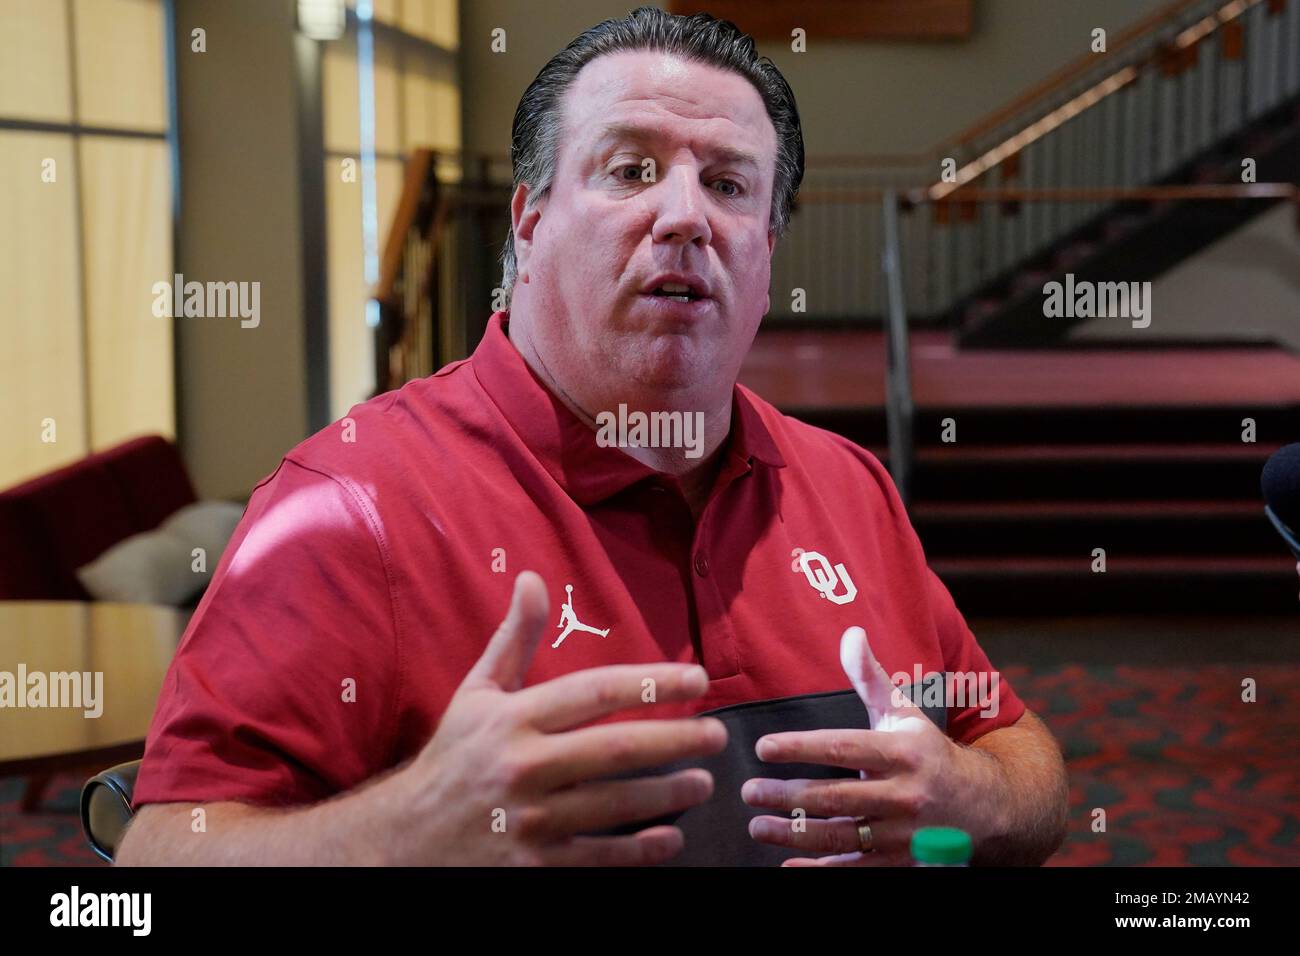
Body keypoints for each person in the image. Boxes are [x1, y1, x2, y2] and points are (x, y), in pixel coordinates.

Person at [117, 7, 1068, 867]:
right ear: (528, 224)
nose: (687, 215)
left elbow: (1021, 758)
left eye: (730, 184)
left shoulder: (845, 483)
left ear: (768, 256)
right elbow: (161, 857)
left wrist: (967, 796)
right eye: (631, 171)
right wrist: (405, 833)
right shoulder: (350, 505)